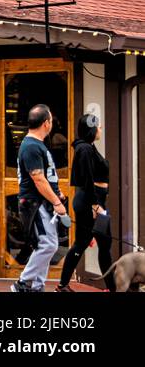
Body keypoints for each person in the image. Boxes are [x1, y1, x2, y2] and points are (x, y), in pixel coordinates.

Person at [12, 103, 67, 292]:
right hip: (35, 204)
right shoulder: (31, 147)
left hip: (42, 202)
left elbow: (45, 178)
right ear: (46, 123)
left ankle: (36, 287)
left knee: (43, 244)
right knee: (48, 244)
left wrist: (56, 191)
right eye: (51, 119)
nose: (52, 123)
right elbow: (38, 178)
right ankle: (23, 283)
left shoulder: (36, 145)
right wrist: (57, 202)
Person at [59, 113, 115, 292]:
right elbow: (86, 179)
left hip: (92, 201)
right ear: (91, 129)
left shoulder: (89, 147)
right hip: (91, 202)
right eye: (98, 126)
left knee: (86, 243)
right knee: (101, 245)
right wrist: (95, 205)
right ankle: (112, 289)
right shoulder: (85, 149)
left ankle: (62, 286)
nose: (101, 129)